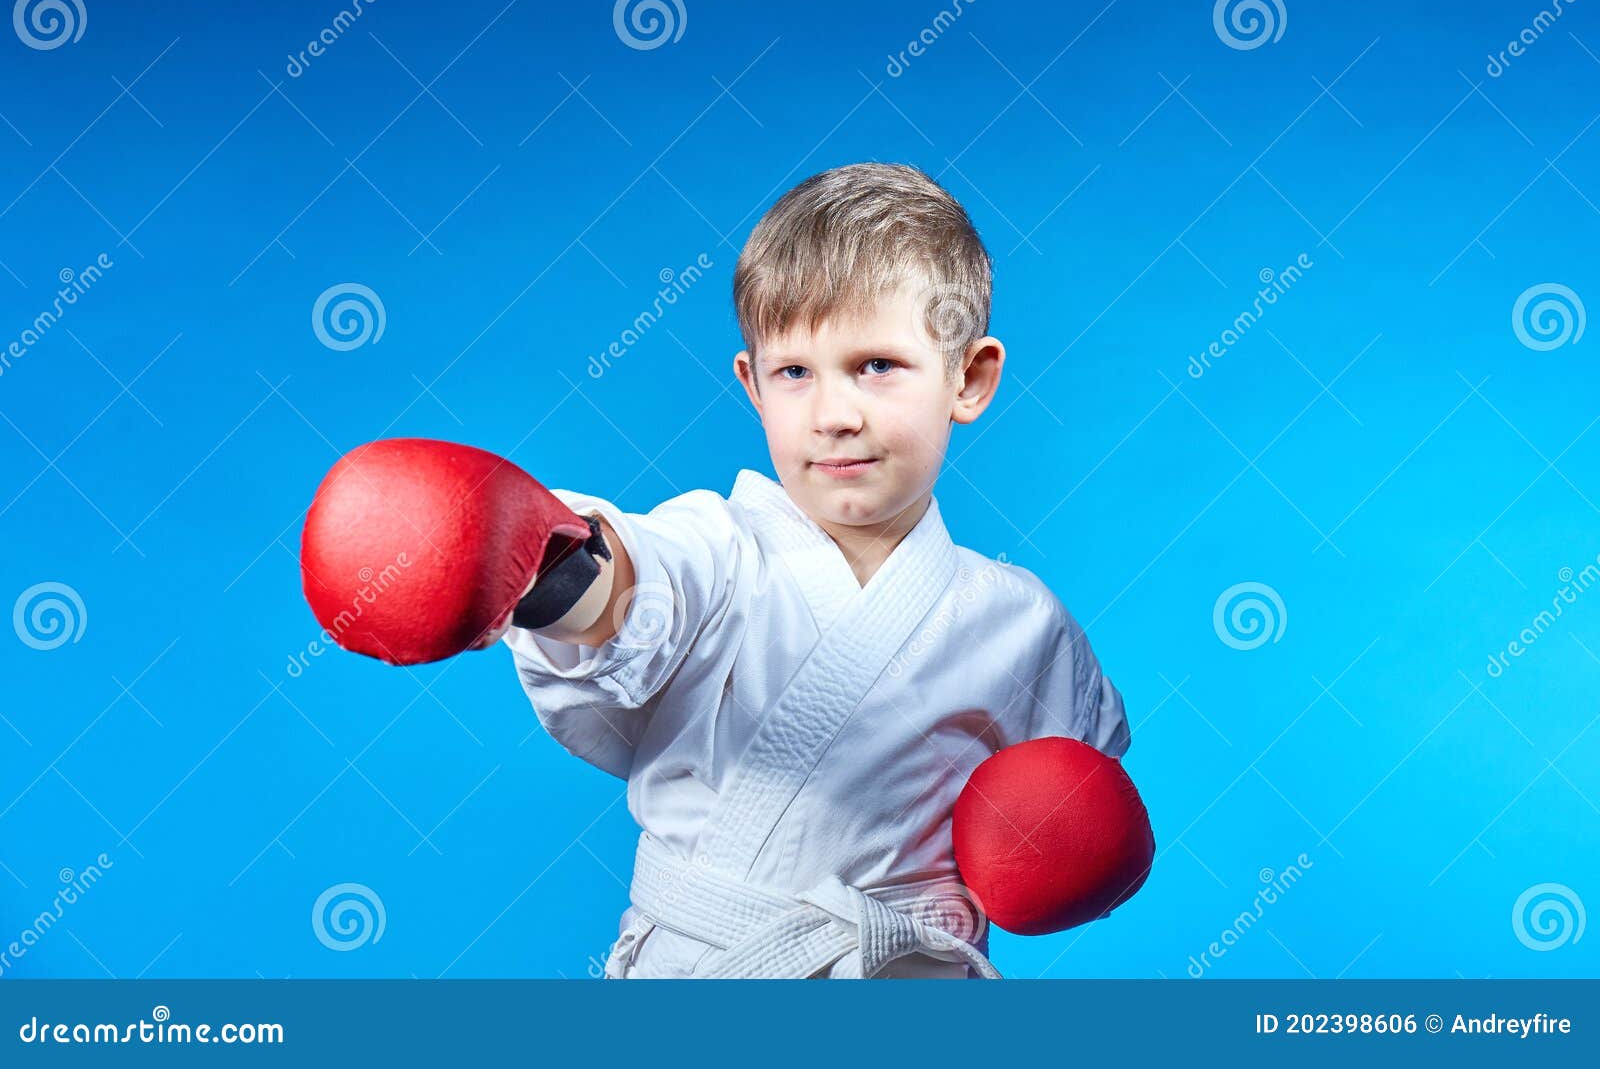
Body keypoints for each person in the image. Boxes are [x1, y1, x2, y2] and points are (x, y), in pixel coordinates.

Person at [301, 162, 1135, 978]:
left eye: (877, 366)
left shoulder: (1022, 620)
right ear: (753, 386)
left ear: (970, 377)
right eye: (795, 373)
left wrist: (1066, 858)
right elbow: (628, 593)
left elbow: (1072, 805)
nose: (835, 415)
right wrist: (536, 557)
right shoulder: (719, 548)